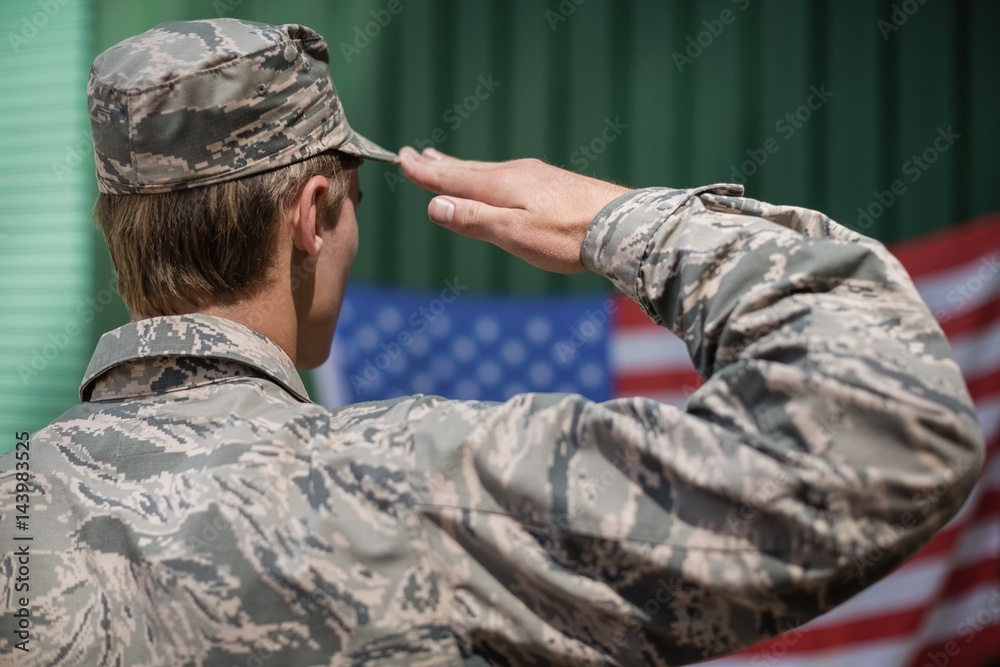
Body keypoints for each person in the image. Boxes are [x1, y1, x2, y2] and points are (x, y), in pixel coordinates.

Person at [0, 17, 984, 667]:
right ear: (311, 213)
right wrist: (623, 221)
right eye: (352, 201)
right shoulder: (404, 482)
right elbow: (886, 434)